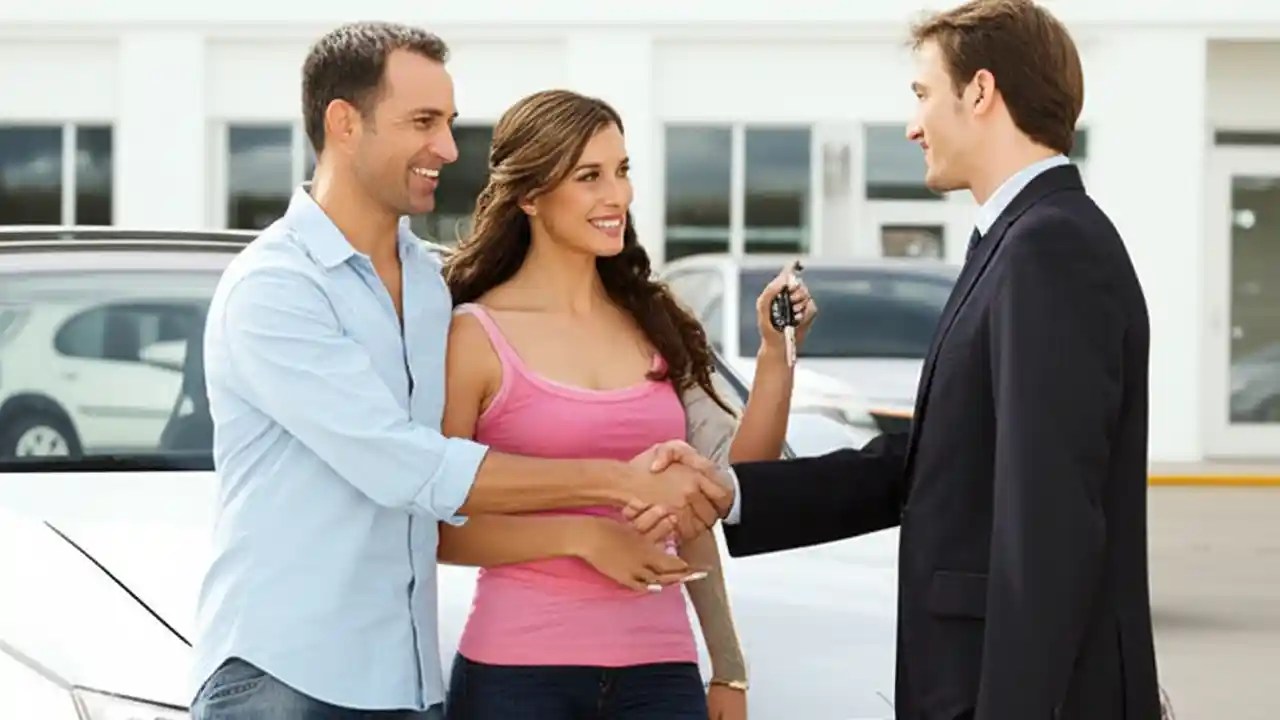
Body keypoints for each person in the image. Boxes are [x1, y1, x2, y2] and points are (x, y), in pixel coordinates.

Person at [187, 24, 728, 720]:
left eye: (448, 122)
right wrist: (616, 484)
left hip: (404, 682)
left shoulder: (429, 282)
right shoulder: (277, 287)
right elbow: (403, 465)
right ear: (344, 124)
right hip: (285, 680)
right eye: (423, 122)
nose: (447, 147)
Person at [709, 1, 1161, 718]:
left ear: (980, 92)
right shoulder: (1016, 240)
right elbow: (937, 461)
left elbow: (1049, 522)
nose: (913, 126)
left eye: (922, 94)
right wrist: (736, 494)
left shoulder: (1049, 247)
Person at [435, 89, 816, 720]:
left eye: (622, 170)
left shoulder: (654, 321)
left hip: (661, 673)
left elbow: (728, 487)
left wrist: (777, 355)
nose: (618, 195)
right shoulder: (474, 336)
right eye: (589, 177)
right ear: (529, 196)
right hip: (518, 675)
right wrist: (585, 536)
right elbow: (439, 530)